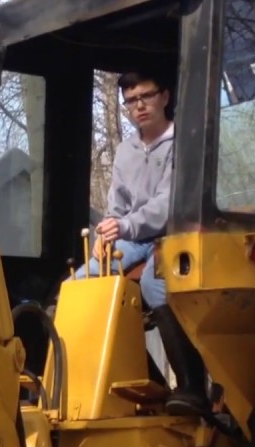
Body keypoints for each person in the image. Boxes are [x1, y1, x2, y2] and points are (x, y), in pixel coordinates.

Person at [71, 68, 209, 416]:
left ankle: (192, 387)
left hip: (174, 233)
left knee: (154, 284)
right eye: (131, 100)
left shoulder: (183, 145)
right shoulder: (125, 151)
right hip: (133, 237)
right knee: (82, 284)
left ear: (165, 97)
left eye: (146, 96)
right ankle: (152, 386)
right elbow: (116, 204)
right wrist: (105, 234)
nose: (139, 106)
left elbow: (166, 206)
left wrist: (123, 226)